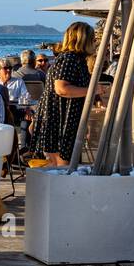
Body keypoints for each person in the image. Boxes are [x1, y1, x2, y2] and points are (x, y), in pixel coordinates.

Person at [34, 21, 100, 166]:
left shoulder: (76, 60)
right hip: (59, 121)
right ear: (82, 40)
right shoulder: (69, 59)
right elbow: (61, 89)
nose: (95, 43)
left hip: (66, 119)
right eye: (92, 39)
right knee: (61, 166)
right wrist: (93, 90)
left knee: (64, 166)